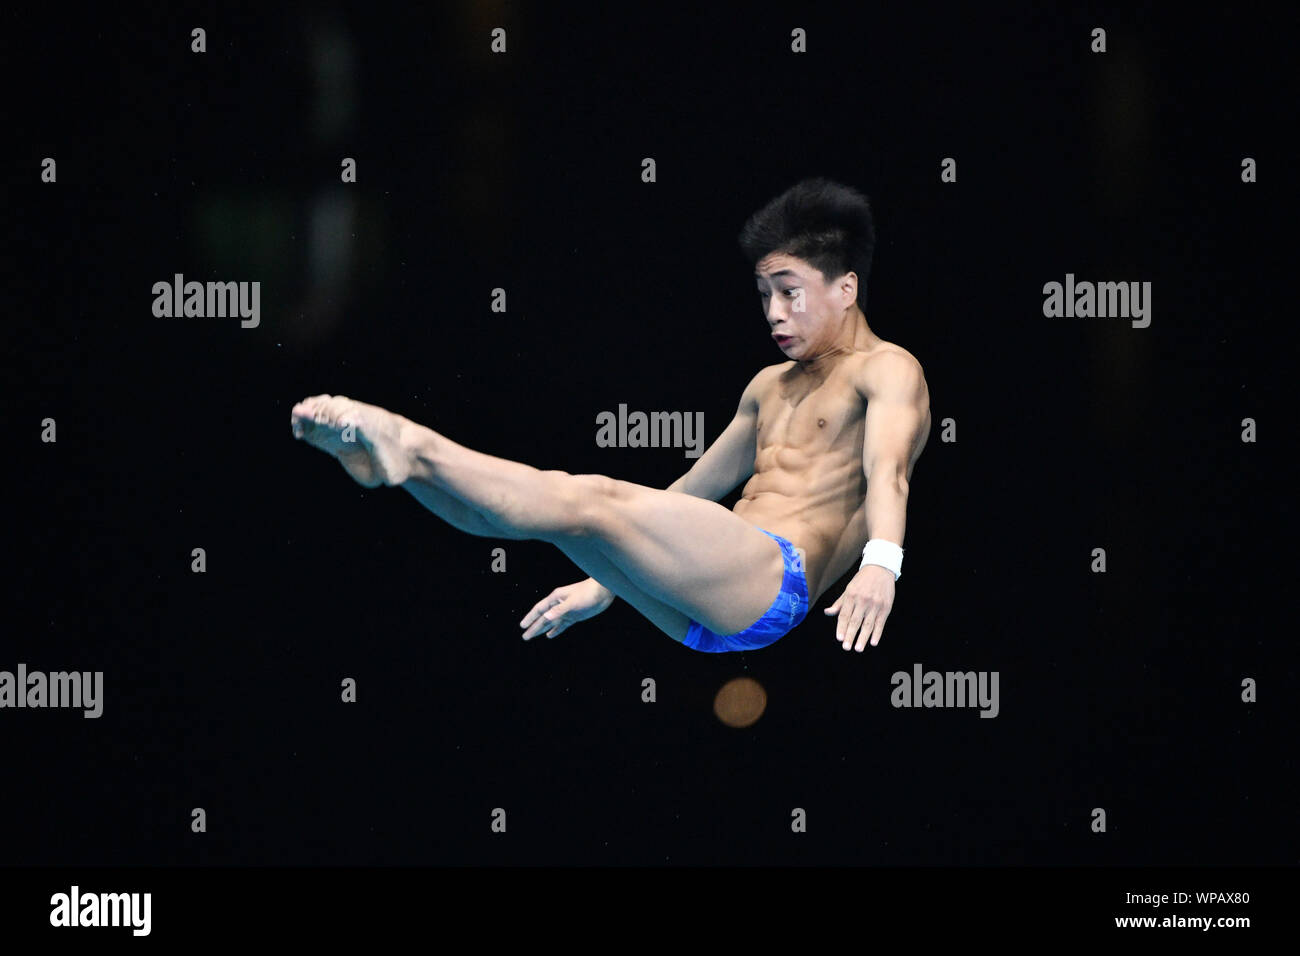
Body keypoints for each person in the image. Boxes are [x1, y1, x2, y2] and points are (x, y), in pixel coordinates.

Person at [290, 178, 930, 654]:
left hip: (775, 577)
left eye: (790, 292)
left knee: (587, 496)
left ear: (845, 288)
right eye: (764, 296)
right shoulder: (768, 386)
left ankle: (410, 440)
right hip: (708, 611)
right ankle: (399, 472)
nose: (773, 314)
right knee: (560, 519)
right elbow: (688, 494)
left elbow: (889, 472)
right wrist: (606, 585)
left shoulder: (888, 369)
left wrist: (882, 563)